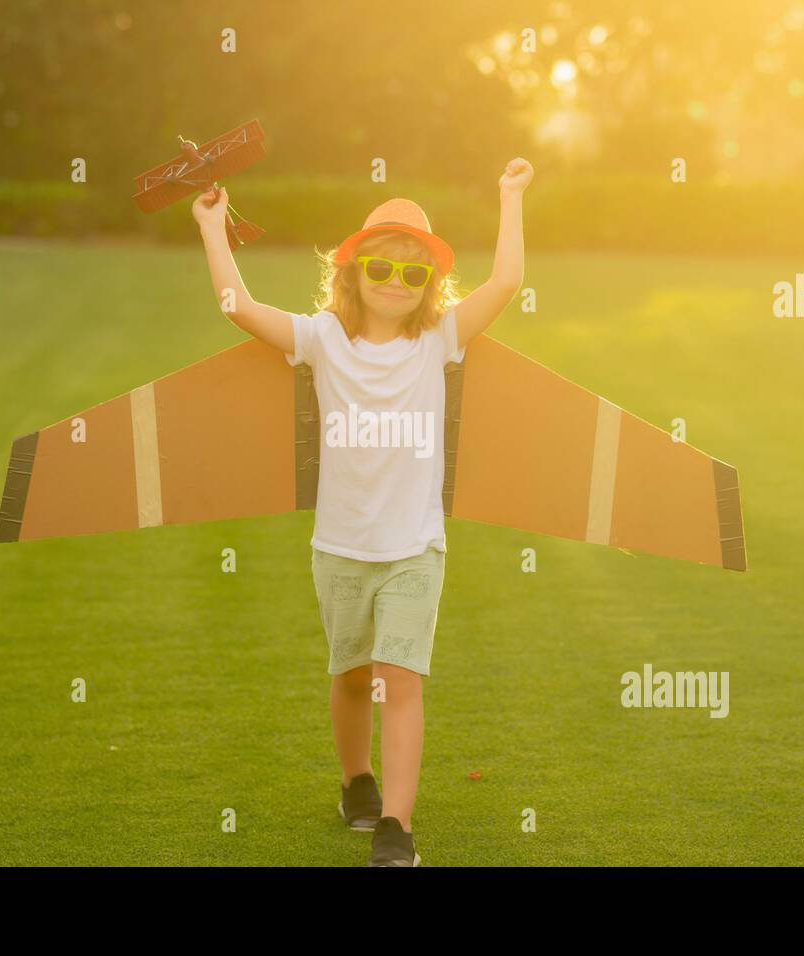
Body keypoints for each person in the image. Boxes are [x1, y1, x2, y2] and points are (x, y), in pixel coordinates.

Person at [193, 159, 532, 865]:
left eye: (414, 275)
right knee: (352, 676)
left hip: (414, 547)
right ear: (353, 271)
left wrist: (508, 196)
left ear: (431, 285)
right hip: (341, 547)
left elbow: (505, 284)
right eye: (382, 268)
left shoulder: (440, 339)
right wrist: (211, 227)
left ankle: (396, 830)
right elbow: (239, 308)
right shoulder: (322, 338)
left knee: (399, 680)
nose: (395, 284)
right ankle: (356, 783)